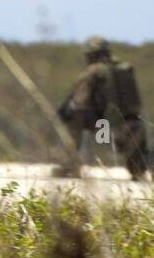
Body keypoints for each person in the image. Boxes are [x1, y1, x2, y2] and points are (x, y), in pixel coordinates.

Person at [56, 36, 148, 180]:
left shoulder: (93, 71)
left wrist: (67, 112)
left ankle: (69, 165)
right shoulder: (125, 68)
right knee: (136, 146)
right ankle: (138, 170)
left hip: (103, 124)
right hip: (129, 122)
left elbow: (79, 101)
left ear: (91, 54)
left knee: (74, 122)